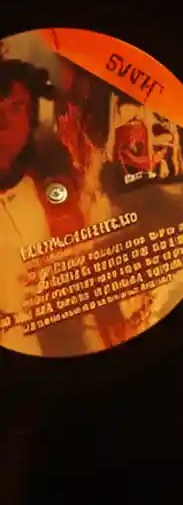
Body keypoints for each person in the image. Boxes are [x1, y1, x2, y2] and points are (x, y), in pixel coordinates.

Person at [0, 59, 122, 356]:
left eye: (16, 108)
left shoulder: (42, 189)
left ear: (31, 118)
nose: (3, 123)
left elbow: (82, 269)